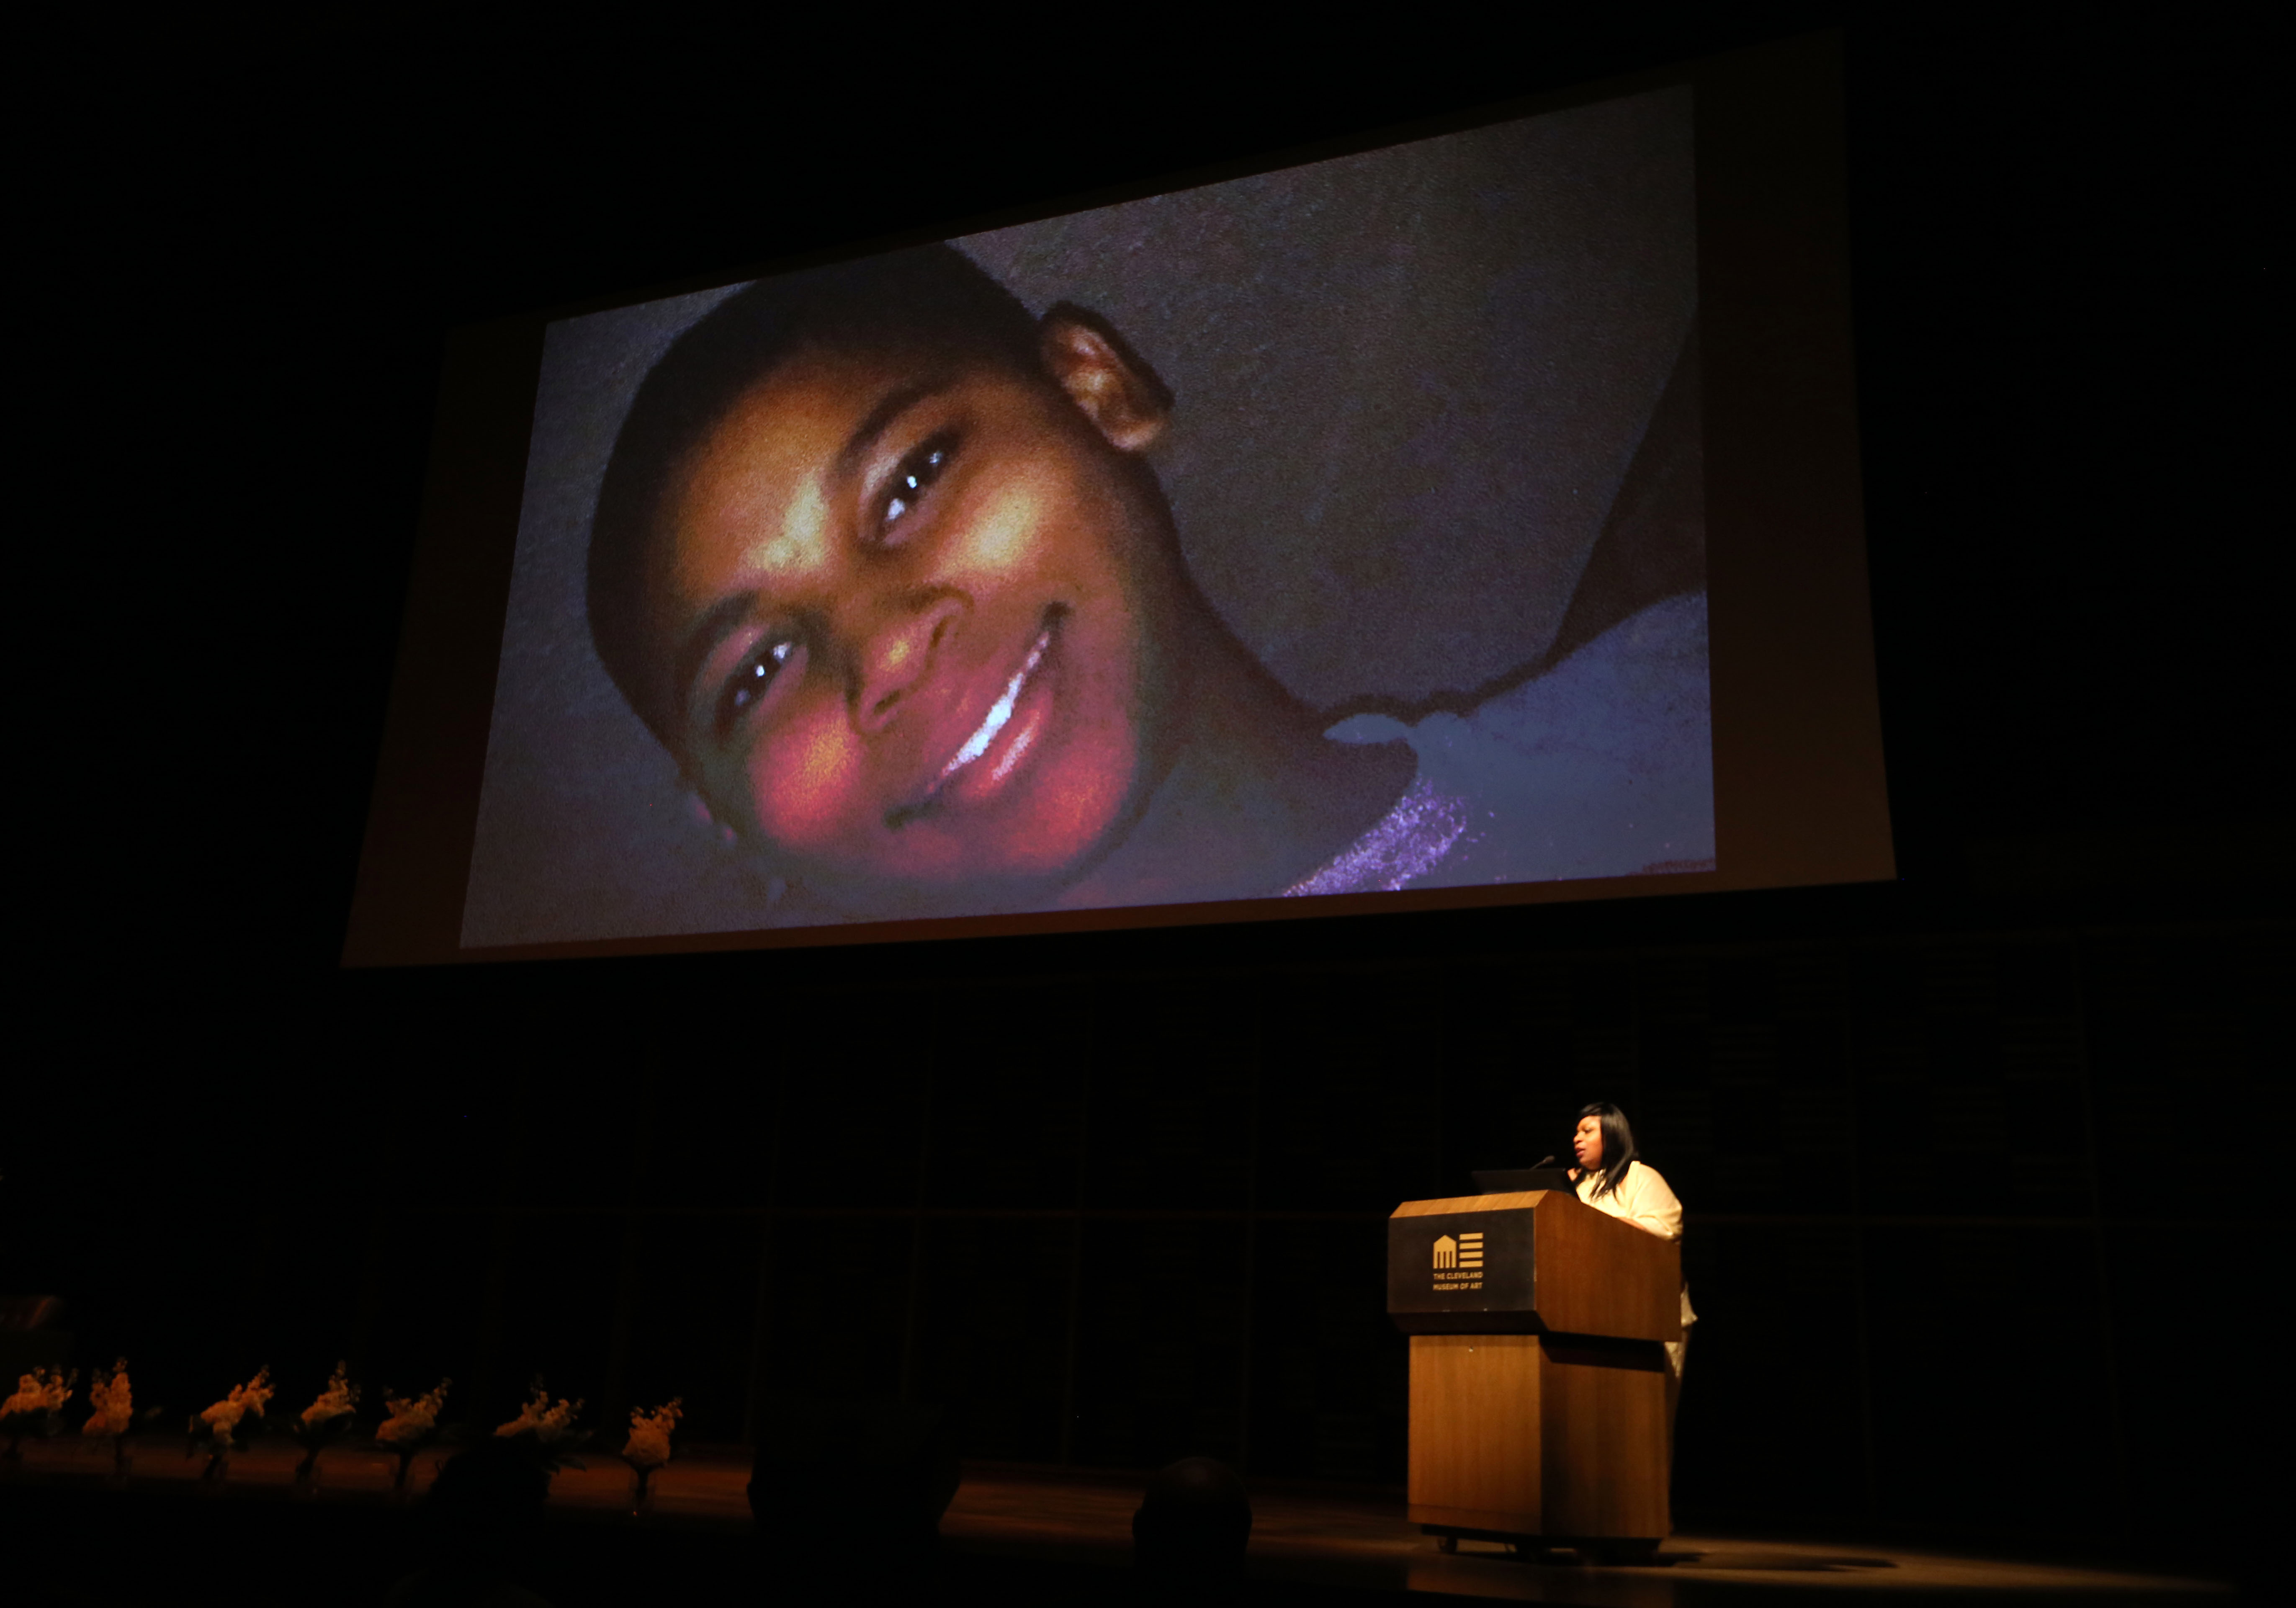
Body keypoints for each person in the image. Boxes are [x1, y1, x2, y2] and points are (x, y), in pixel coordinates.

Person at [587, 244, 1710, 925]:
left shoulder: (1693, 704)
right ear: (725, 824)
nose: (880, 652)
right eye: (757, 672)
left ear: (1095, 391)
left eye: (914, 476)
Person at [1566, 1100, 1696, 1449]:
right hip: (1593, 1319)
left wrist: (1603, 1224)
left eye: (1587, 1131)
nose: (1577, 1138)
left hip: (1652, 1316)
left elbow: (1665, 1228)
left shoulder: (1640, 1176)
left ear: (1611, 1134)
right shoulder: (1574, 1186)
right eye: (1576, 1132)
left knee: (1649, 1430)